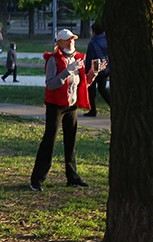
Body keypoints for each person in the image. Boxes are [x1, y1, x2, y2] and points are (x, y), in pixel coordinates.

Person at [29, 29, 105, 191]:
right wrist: (67, 71)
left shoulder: (78, 59)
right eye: (67, 40)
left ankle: (73, 178)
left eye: (72, 39)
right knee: (49, 141)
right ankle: (37, 179)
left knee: (71, 142)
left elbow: (83, 83)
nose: (71, 42)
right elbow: (51, 84)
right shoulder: (53, 60)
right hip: (55, 106)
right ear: (59, 43)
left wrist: (94, 73)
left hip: (71, 106)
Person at [83, 22, 109, 116]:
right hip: (105, 68)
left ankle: (92, 110)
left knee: (91, 90)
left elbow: (90, 57)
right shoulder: (107, 40)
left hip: (95, 69)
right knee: (102, 89)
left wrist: (87, 72)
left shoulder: (93, 43)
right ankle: (112, 105)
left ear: (93, 31)